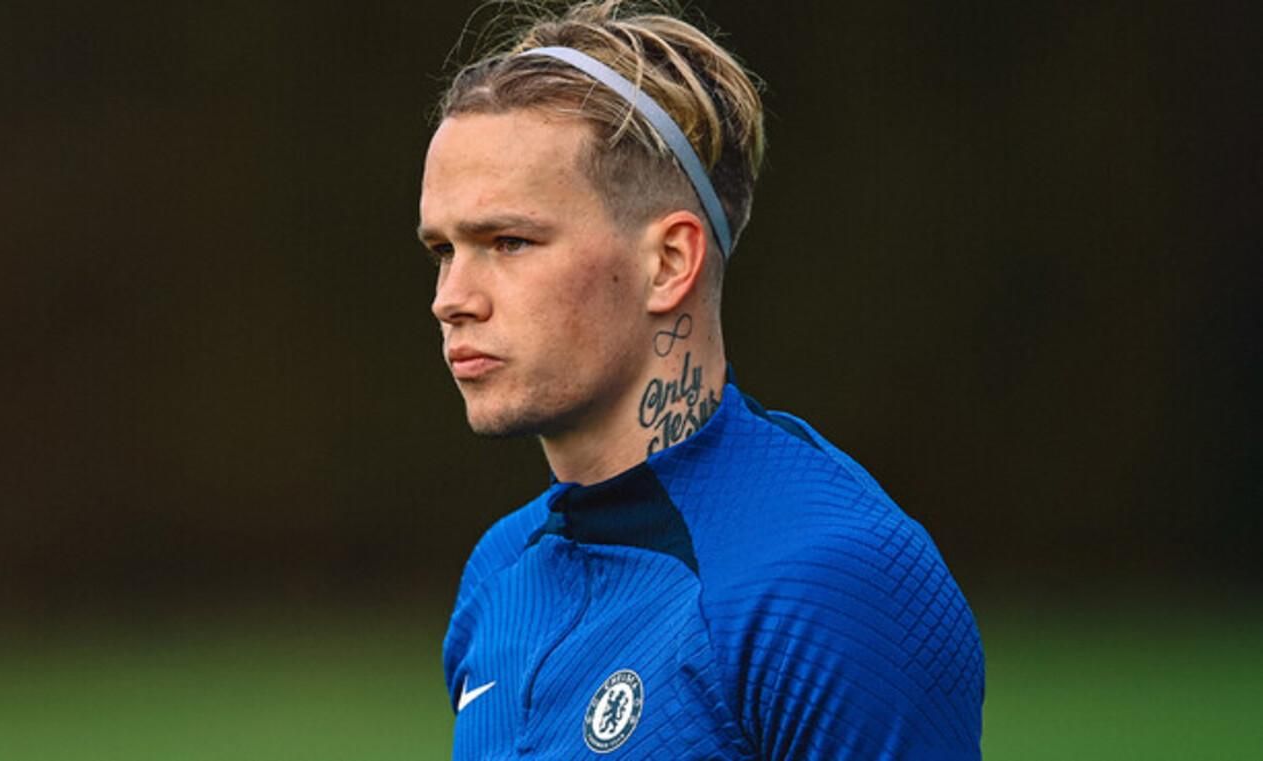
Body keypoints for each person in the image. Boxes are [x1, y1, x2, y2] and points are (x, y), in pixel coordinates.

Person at [417, 2, 984, 758]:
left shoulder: (832, 583)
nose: (451, 298)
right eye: (443, 251)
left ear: (669, 262)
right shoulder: (500, 574)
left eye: (509, 241)